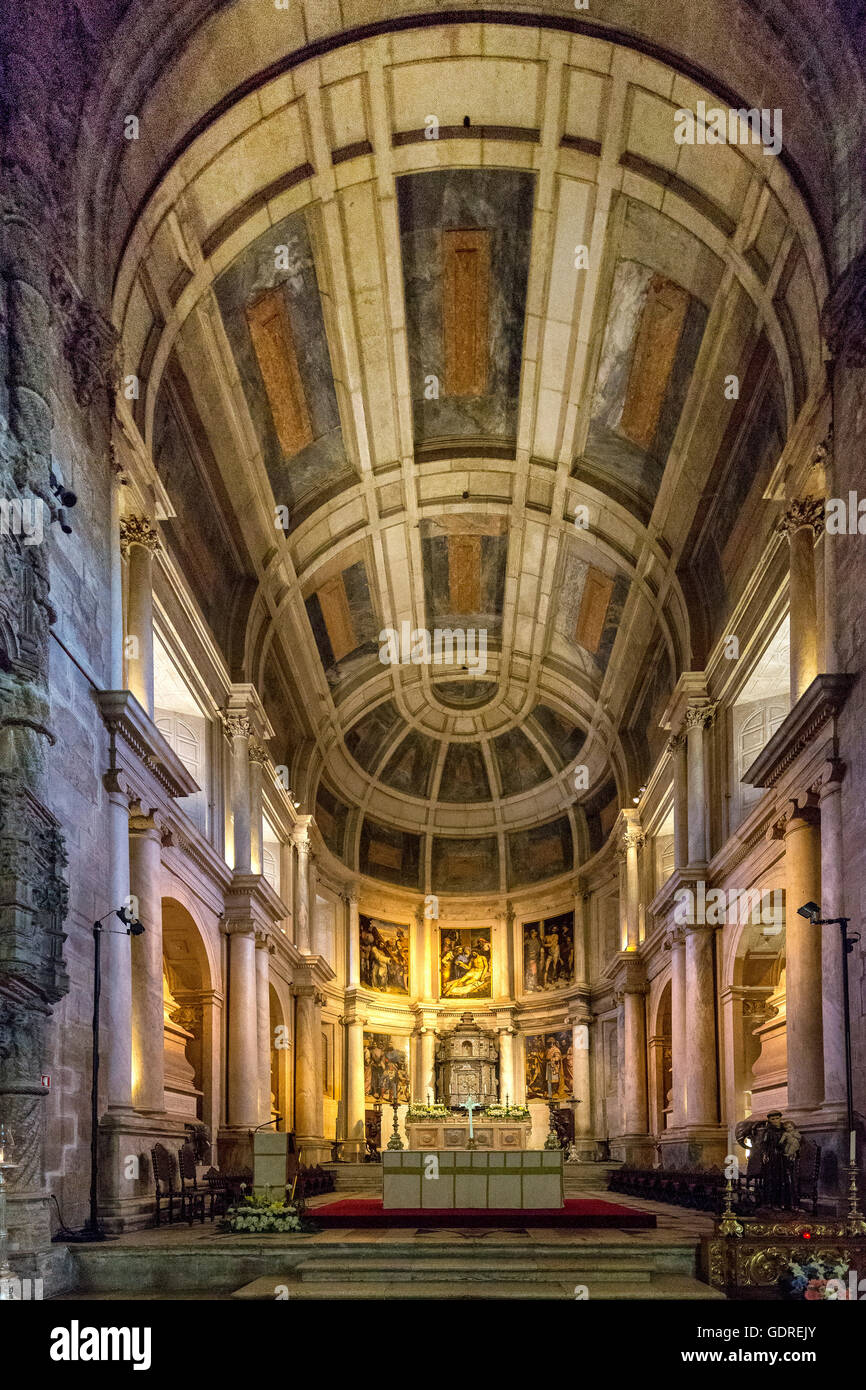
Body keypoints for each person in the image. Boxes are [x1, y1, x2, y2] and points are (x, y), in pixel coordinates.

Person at [736, 1110, 802, 1209]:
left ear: (780, 1118)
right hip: (772, 1157)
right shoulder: (768, 1131)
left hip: (782, 1157)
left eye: (777, 1118)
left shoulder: (784, 1130)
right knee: (772, 1180)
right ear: (769, 1120)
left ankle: (784, 1203)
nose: (775, 1121)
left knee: (783, 1180)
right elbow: (764, 1144)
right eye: (773, 1119)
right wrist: (765, 1154)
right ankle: (772, 1203)